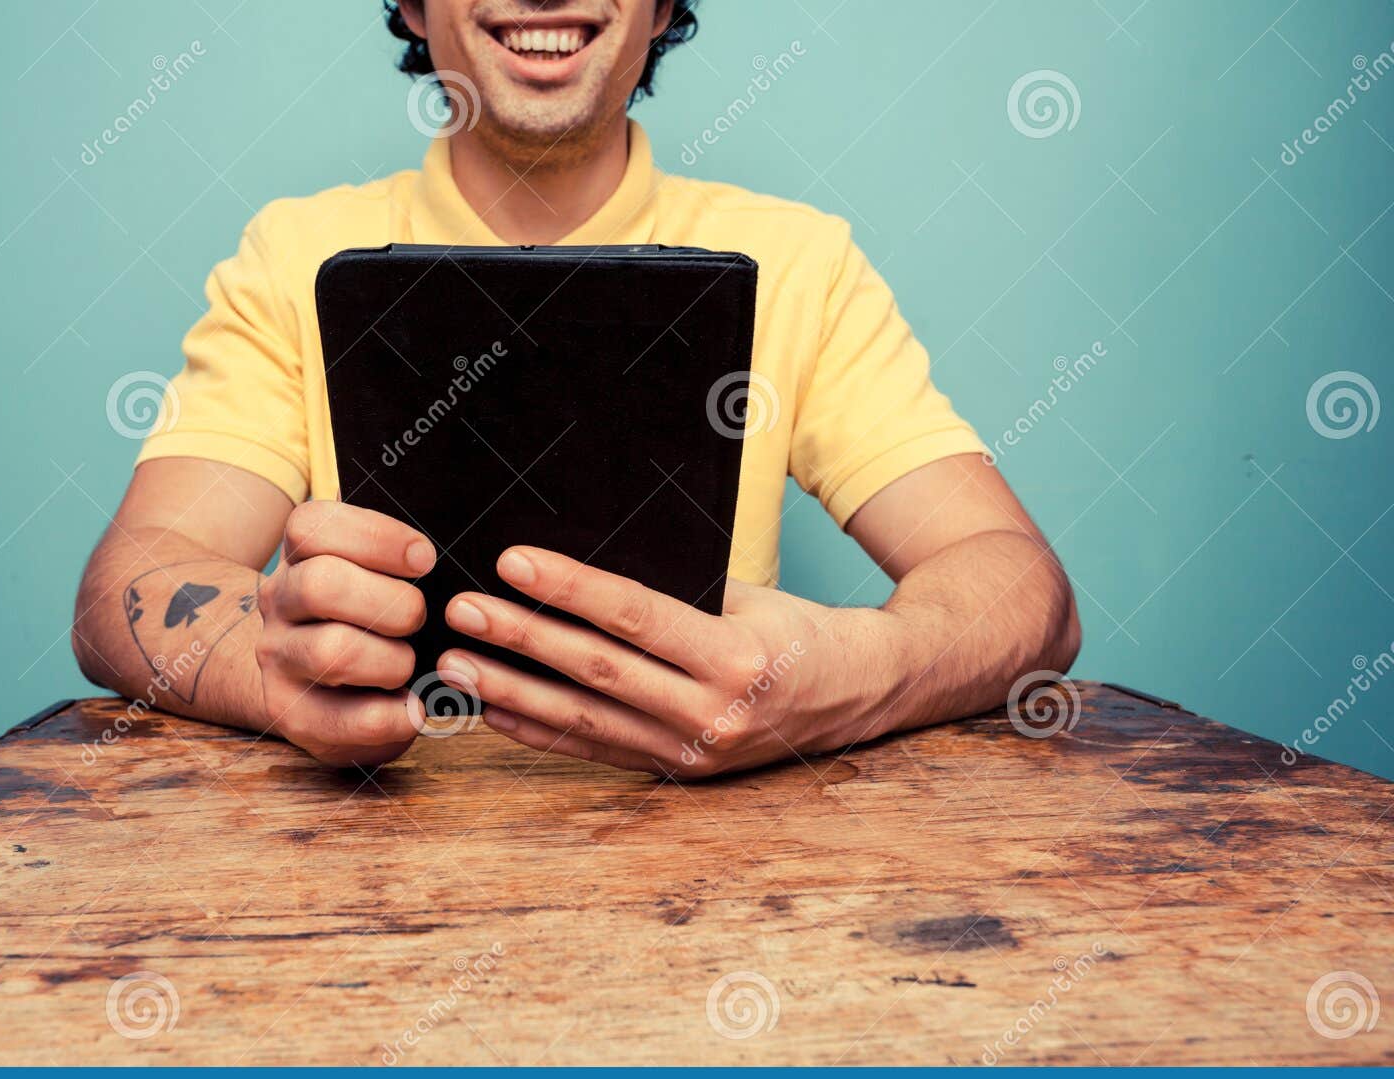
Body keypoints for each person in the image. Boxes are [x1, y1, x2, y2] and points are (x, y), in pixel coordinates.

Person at [72, 1, 1080, 778]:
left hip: (711, 875)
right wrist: (272, 673)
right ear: (415, 5)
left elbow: (1017, 582)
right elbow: (134, 578)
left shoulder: (799, 261)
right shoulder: (295, 256)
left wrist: (846, 679)